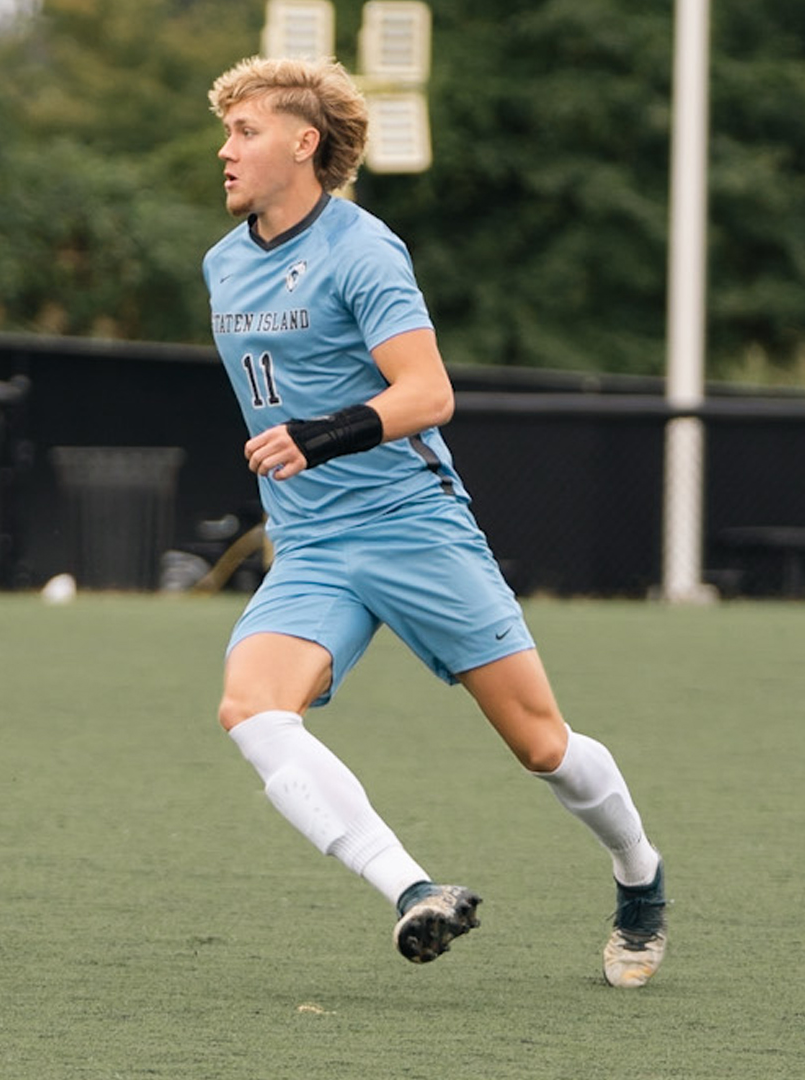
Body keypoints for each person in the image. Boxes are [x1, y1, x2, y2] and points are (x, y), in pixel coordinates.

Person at [202, 55, 668, 988]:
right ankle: (414, 889)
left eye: (245, 131)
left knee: (543, 745)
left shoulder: (363, 249)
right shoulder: (222, 262)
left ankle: (641, 879)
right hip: (315, 547)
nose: (226, 150)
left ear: (305, 143)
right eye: (227, 132)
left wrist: (318, 436)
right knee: (251, 709)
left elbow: (429, 393)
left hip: (412, 526)